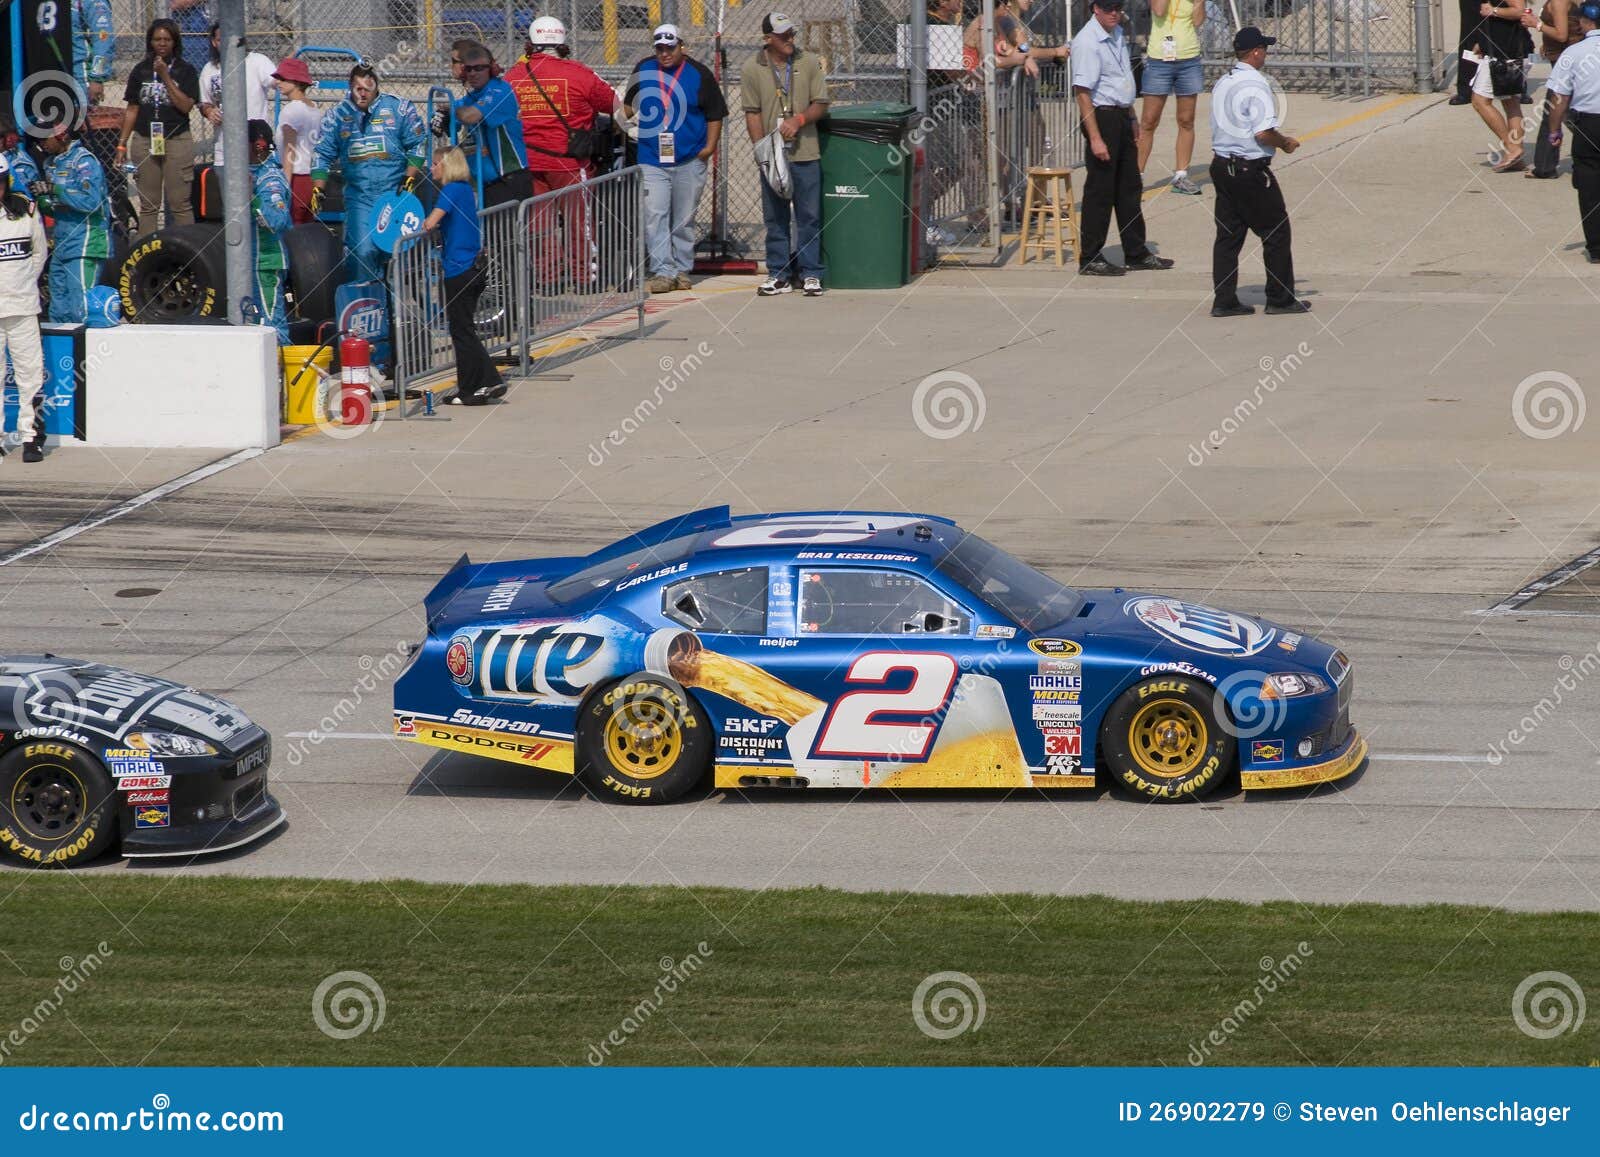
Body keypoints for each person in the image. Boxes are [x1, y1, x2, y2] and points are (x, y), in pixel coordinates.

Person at [503, 17, 616, 287]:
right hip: (569, 161)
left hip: (529, 162)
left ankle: (549, 279)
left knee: (539, 224)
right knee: (580, 222)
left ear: (531, 43)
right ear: (563, 42)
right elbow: (614, 104)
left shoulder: (513, 77)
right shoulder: (579, 73)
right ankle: (583, 278)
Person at [1208, 27, 1308, 317]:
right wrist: (1285, 142)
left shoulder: (1223, 81)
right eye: (1264, 48)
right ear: (1255, 52)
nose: (1266, 52)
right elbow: (1263, 133)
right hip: (1248, 170)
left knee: (1228, 236)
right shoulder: (1256, 84)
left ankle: (1224, 300)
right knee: (1276, 231)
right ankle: (1280, 298)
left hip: (1222, 165)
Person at [1071, 0, 1173, 275]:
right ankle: (1090, 257)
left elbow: (1120, 79)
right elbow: (1082, 93)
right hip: (1100, 116)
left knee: (1129, 187)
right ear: (1095, 8)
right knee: (1100, 190)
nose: (1114, 13)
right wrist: (1095, 137)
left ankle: (1136, 251)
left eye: (1117, 7)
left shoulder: (1115, 33)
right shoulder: (1087, 41)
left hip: (1120, 115)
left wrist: (1131, 118)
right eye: (1108, 8)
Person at [627, 24, 726, 294]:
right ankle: (663, 270)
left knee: (683, 218)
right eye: (659, 48)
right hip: (652, 157)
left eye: (670, 48)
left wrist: (708, 148)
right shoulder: (644, 69)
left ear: (681, 46)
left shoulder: (699, 74)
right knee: (655, 215)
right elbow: (627, 105)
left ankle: (682, 268)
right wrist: (622, 122)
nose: (664, 53)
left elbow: (715, 114)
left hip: (689, 157)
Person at [310, 63, 426, 285]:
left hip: (394, 193)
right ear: (350, 88)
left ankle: (395, 314)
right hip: (359, 197)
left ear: (376, 86)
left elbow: (418, 143)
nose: (362, 93)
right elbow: (322, 154)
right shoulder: (337, 116)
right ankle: (366, 306)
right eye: (357, 88)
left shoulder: (399, 108)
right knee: (362, 252)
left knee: (394, 255)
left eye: (367, 87)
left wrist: (410, 176)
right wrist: (318, 187)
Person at [742, 12, 830, 296]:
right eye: (783, 35)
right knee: (775, 216)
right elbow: (752, 113)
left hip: (805, 152)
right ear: (768, 39)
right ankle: (779, 273)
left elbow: (821, 102)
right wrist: (761, 150)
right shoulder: (752, 68)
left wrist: (799, 120)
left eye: (791, 33)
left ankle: (811, 273)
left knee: (809, 215)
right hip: (774, 156)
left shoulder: (808, 62)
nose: (791, 39)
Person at [422, 146, 506, 406]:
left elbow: (431, 222)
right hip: (474, 268)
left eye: (435, 163)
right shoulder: (467, 191)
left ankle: (487, 380)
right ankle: (470, 388)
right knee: (462, 329)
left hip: (459, 269)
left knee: (462, 331)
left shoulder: (450, 190)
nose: (431, 168)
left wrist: (421, 225)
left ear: (446, 165)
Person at [117, 18, 201, 236]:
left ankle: (188, 254)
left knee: (179, 204)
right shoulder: (140, 71)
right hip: (145, 139)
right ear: (150, 42)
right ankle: (147, 255)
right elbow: (132, 108)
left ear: (174, 42)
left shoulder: (186, 70)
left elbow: (185, 106)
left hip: (176, 139)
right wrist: (121, 145)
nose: (162, 44)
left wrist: (165, 75)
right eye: (157, 39)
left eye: (166, 39)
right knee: (148, 206)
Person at [34, 120, 111, 324]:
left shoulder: (84, 161)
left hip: (85, 243)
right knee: (59, 307)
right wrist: (44, 202)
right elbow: (57, 206)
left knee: (82, 307)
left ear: (61, 135)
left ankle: (86, 354)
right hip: (62, 243)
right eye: (37, 139)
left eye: (44, 138)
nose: (41, 143)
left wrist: (57, 190)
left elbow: (92, 201)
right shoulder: (50, 163)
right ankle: (62, 355)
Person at [1542, 2, 1600, 260]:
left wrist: (1554, 131)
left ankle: (1597, 247)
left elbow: (1560, 99)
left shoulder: (1574, 53)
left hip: (1588, 125)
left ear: (1585, 23)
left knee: (1588, 185)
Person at [0, 155, 49, 463]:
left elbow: (39, 255)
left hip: (22, 306)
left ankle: (31, 438)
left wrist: (20, 286)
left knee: (30, 375)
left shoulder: (26, 211)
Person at [452, 42, 532, 207]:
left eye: (479, 68)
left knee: (504, 232)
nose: (473, 73)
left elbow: (469, 116)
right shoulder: (472, 97)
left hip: (509, 179)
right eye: (469, 69)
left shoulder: (500, 91)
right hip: (487, 182)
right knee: (490, 231)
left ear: (491, 69)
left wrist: (451, 109)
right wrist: (442, 115)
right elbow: (454, 118)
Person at [1136, 0, 1204, 194]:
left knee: (1186, 120)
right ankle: (1136, 176)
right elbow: (1158, 10)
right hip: (1159, 60)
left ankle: (1181, 174)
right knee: (1149, 121)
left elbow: (1198, 21)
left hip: (1189, 58)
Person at [1466, 1, 1535, 171]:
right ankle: (1515, 156)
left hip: (1506, 54)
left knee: (1480, 101)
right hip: (1503, 50)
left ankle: (1512, 147)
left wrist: (1493, 10)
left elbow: (1519, 11)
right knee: (1510, 102)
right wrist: (1482, 42)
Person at [198, 23, 277, 168]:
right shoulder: (209, 69)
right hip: (224, 146)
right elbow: (204, 103)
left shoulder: (257, 61)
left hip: (255, 143)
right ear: (214, 42)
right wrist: (208, 111)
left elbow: (277, 81)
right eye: (222, 39)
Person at [1528, 0, 1586, 177]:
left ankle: (1545, 167)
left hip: (1565, 62)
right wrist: (1547, 46)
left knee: (1555, 112)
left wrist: (1536, 24)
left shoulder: (1559, 2)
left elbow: (1561, 34)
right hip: (1567, 58)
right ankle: (1546, 166)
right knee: (1562, 112)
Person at [246, 120, 291, 341]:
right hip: (247, 262)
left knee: (272, 325)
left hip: (266, 262)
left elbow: (278, 220)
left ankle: (280, 373)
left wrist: (252, 200)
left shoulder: (270, 178)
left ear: (258, 145)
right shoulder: (245, 173)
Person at [273, 57, 321, 223]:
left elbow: (289, 150)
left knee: (292, 228)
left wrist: (285, 184)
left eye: (283, 78)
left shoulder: (291, 110)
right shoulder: (313, 107)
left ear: (297, 81)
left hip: (296, 178)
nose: (278, 82)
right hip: (313, 177)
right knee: (307, 231)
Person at [71, 0, 115, 106]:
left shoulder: (94, 2)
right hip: (54, 71)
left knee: (80, 118)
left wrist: (97, 78)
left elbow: (103, 40)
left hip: (80, 77)